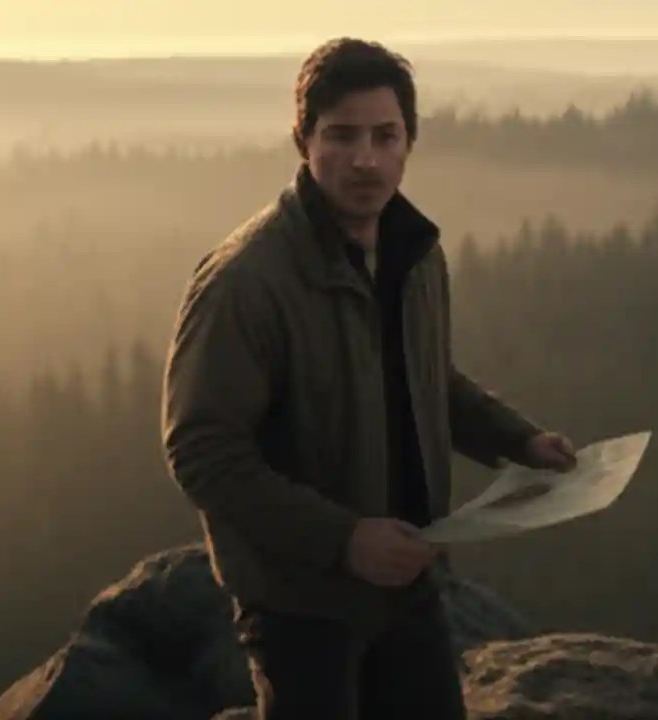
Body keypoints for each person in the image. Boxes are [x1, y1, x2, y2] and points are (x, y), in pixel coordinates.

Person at [160, 37, 578, 720]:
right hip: (300, 605)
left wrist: (520, 440)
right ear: (303, 140)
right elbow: (201, 451)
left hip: (409, 582)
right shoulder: (246, 282)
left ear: (409, 142)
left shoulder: (414, 254)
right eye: (342, 135)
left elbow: (421, 375)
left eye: (386, 136)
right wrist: (343, 539)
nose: (366, 158)